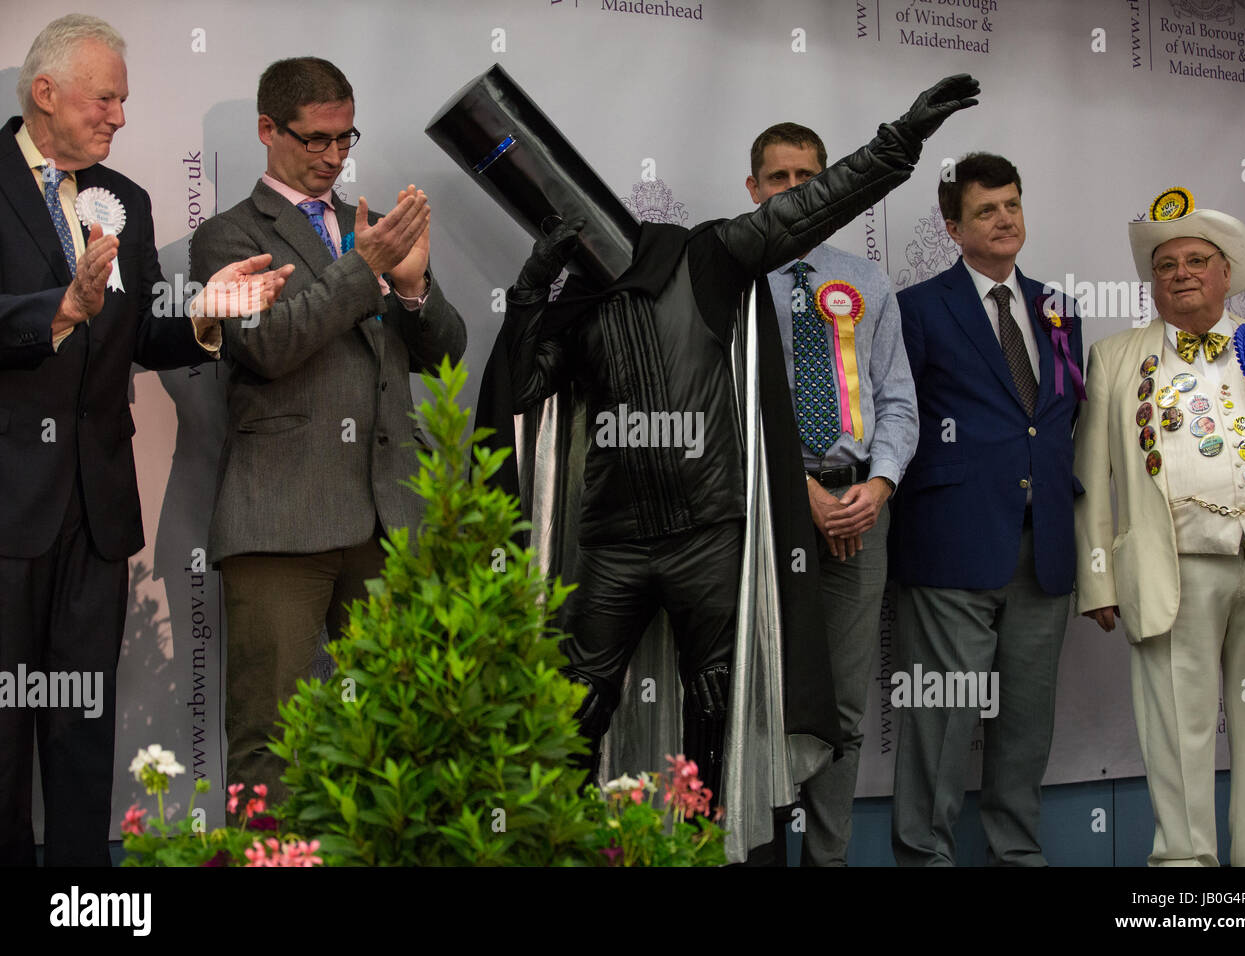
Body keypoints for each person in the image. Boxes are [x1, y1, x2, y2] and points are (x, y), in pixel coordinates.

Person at [495, 77, 977, 820]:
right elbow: (519, 392)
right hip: (614, 540)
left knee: (718, 715)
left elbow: (820, 202)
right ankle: (560, 843)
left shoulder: (710, 257)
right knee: (577, 710)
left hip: (710, 535)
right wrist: (531, 293)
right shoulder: (582, 304)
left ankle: (711, 845)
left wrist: (899, 143)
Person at [0, 14, 290, 865]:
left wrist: (205, 314)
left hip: (96, 511)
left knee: (86, 719)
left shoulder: (123, 198)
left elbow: (140, 337)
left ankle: (83, 890)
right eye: (106, 98)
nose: (120, 116)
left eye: (124, 100)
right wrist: (60, 309)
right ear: (45, 93)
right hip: (7, 509)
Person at [190, 56, 466, 806]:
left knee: (397, 734)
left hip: (388, 522)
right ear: (266, 130)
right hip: (280, 522)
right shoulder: (225, 236)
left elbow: (445, 354)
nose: (334, 157)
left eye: (345, 139)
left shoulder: (366, 227)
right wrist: (361, 269)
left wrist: (412, 288)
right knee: (270, 744)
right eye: (315, 140)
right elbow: (267, 348)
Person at [1074, 188, 1245, 867]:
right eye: (1166, 264)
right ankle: (1184, 868)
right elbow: (1091, 476)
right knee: (1178, 726)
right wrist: (1098, 579)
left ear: (1226, 273)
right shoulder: (1116, 356)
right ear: (1152, 281)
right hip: (1175, 563)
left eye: (1197, 260)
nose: (1181, 273)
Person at [890, 152, 1084, 866]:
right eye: (985, 210)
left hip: (1045, 551)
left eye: (1012, 205)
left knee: (1026, 729)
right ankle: (924, 857)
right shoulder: (915, 307)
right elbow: (899, 420)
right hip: (950, 549)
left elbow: (1058, 422)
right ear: (953, 227)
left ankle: (1018, 857)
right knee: (940, 726)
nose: (1004, 220)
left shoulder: (1059, 309)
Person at [744, 122, 917, 866]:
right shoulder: (733, 281)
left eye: (807, 176)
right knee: (764, 700)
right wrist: (800, 493)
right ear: (753, 189)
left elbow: (898, 402)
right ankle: (759, 850)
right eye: (778, 178)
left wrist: (875, 488)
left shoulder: (869, 283)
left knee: (846, 705)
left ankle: (829, 858)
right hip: (768, 511)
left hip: (860, 513)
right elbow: (732, 407)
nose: (795, 190)